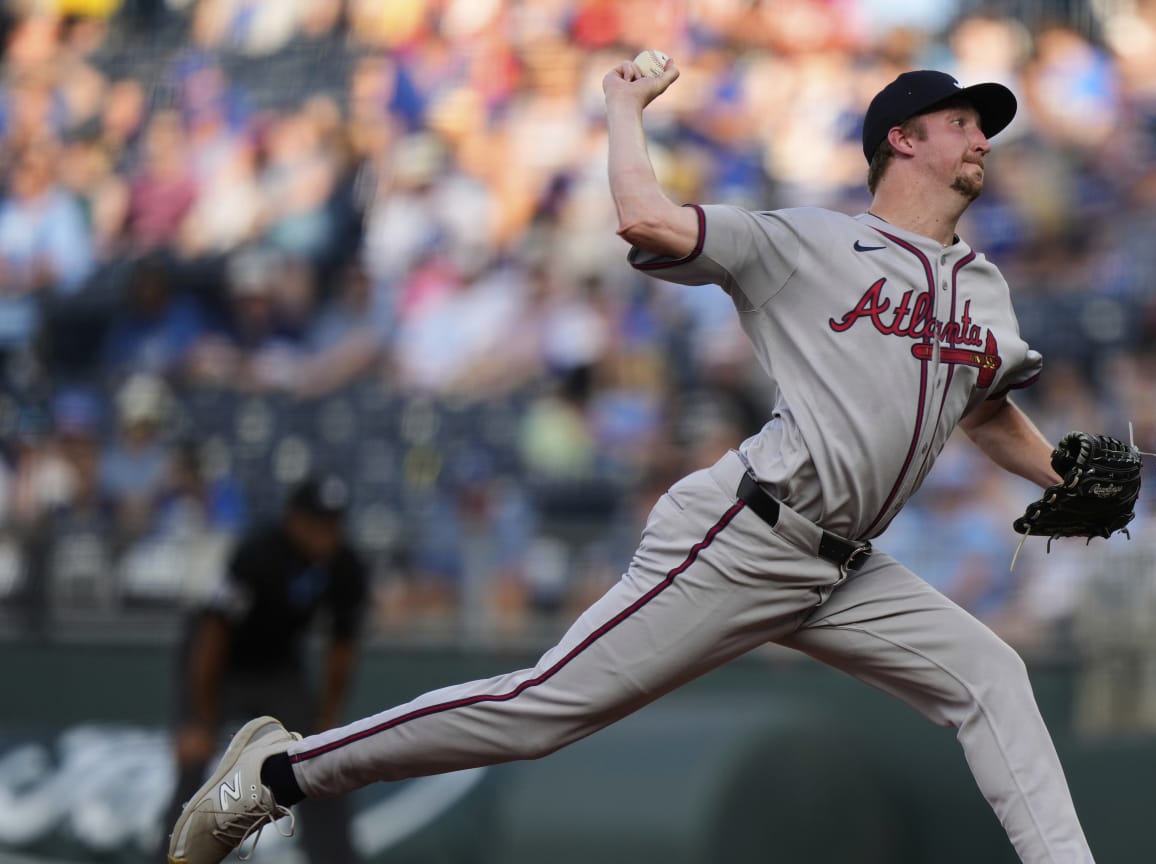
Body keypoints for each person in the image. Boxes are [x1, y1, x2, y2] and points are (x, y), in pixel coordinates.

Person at [168, 59, 1097, 864]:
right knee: (539, 712)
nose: (983, 139)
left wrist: (1069, 479)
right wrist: (622, 107)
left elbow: (985, 411)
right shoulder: (809, 242)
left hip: (848, 571)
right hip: (748, 534)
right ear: (903, 139)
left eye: (984, 126)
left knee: (992, 676)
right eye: (964, 122)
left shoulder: (981, 287)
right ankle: (280, 772)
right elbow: (645, 220)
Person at [162, 473, 368, 864]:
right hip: (222, 665)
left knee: (322, 760)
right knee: (195, 761)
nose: (327, 533)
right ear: (294, 519)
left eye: (334, 524)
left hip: (278, 666)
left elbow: (342, 649)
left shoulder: (346, 566)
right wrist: (197, 719)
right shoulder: (257, 552)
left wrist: (328, 717)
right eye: (317, 522)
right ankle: (173, 858)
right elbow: (211, 637)